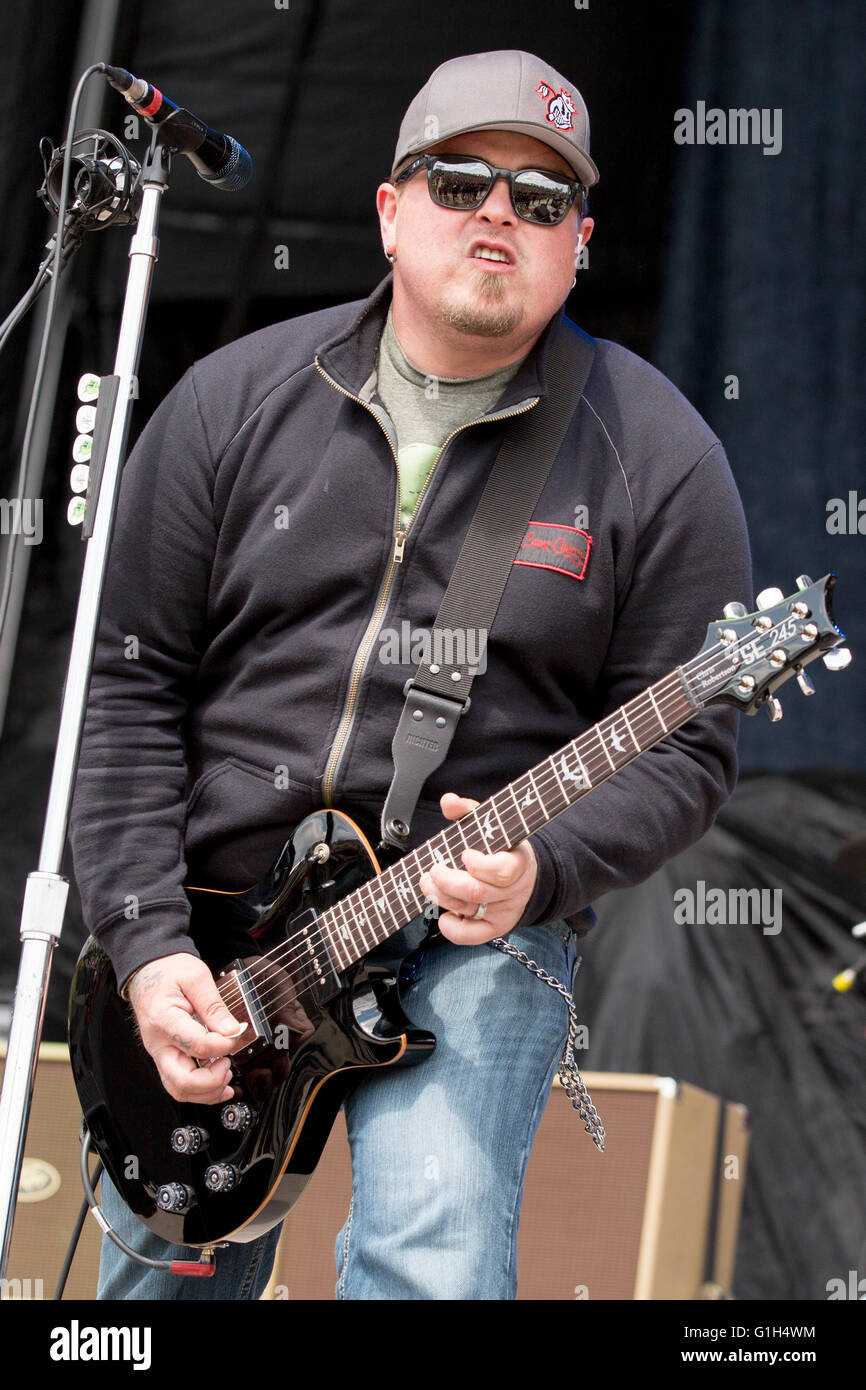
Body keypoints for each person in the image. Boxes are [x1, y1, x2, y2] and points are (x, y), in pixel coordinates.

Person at [70, 49, 751, 1300]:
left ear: (579, 242)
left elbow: (686, 748)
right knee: (157, 1300)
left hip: (475, 933)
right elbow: (126, 691)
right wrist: (147, 941)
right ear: (390, 212)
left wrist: (546, 866)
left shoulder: (658, 453)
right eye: (458, 181)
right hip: (217, 934)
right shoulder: (232, 402)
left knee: (424, 1262)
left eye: (539, 199)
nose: (497, 213)